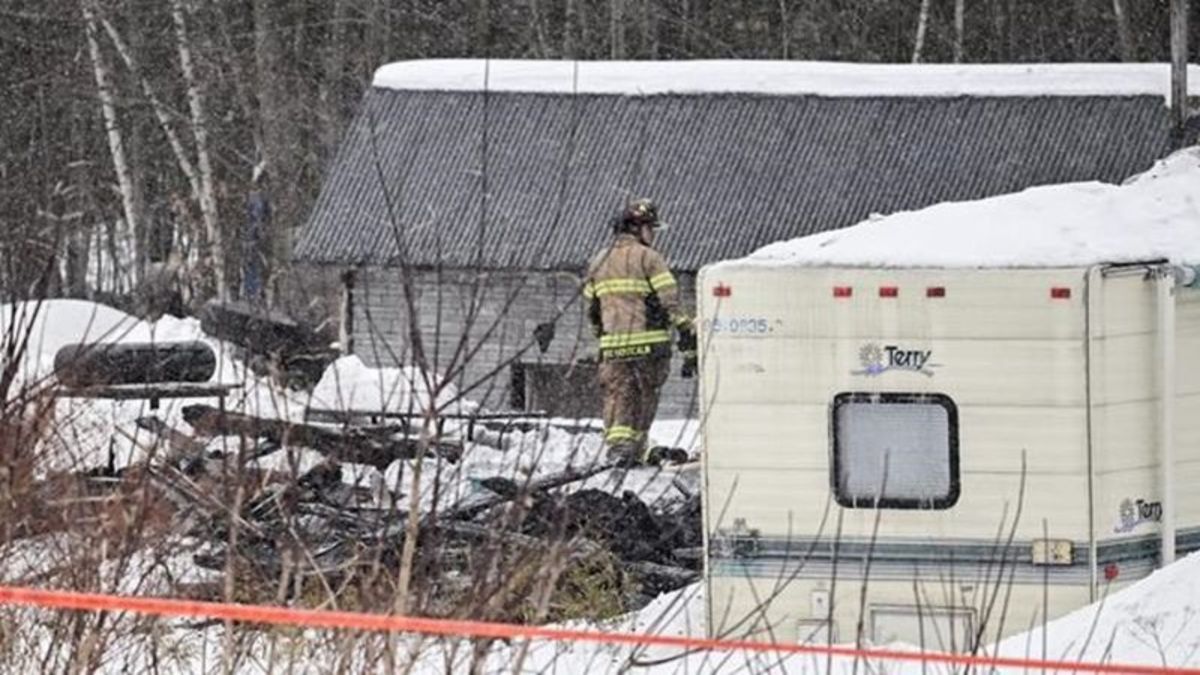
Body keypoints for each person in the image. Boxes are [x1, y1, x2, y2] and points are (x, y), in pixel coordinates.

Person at [584, 198, 697, 466]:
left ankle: (619, 449)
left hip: (613, 347)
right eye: (651, 228)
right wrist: (686, 327)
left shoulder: (599, 260)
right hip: (649, 346)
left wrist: (604, 336)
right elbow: (669, 301)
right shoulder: (649, 258)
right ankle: (635, 447)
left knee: (618, 393)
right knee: (644, 394)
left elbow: (592, 309)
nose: (653, 234)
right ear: (638, 229)